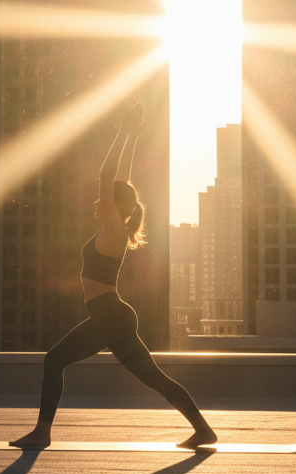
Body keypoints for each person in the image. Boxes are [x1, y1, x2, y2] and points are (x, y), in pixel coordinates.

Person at [11, 102, 217, 450]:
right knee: (154, 378)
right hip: (113, 315)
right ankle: (203, 430)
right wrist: (133, 137)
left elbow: (109, 179)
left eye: (101, 199)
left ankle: (42, 432)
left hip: (109, 314)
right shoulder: (116, 226)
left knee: (54, 360)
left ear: (112, 205)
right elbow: (121, 180)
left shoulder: (113, 229)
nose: (96, 201)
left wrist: (121, 132)